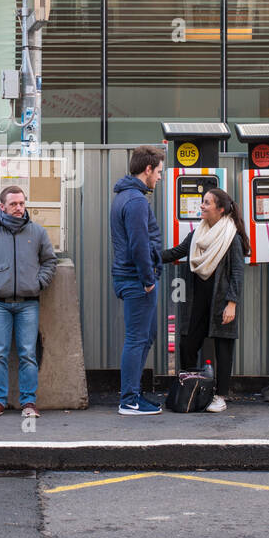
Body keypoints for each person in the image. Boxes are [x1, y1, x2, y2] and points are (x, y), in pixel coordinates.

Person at [0, 185, 58, 418]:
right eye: (13, 204)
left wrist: (38, 284)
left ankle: (29, 403)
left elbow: (50, 262)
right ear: (2, 206)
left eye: (21, 203)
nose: (19, 208)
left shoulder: (37, 232)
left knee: (28, 353)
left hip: (28, 302)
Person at [160, 187, 246, 414]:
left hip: (222, 301)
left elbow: (237, 271)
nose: (202, 206)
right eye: (202, 202)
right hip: (198, 301)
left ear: (220, 209)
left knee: (223, 348)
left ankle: (220, 396)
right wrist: (149, 255)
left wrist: (232, 303)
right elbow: (177, 252)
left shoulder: (231, 236)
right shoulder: (197, 233)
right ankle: (192, 387)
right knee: (187, 344)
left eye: (207, 203)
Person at [110, 144, 166, 416]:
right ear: (147, 169)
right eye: (158, 172)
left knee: (147, 335)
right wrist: (147, 279)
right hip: (137, 279)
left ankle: (133, 393)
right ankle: (129, 400)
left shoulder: (127, 196)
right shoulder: (135, 201)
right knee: (136, 338)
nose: (159, 177)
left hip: (132, 277)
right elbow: (139, 245)